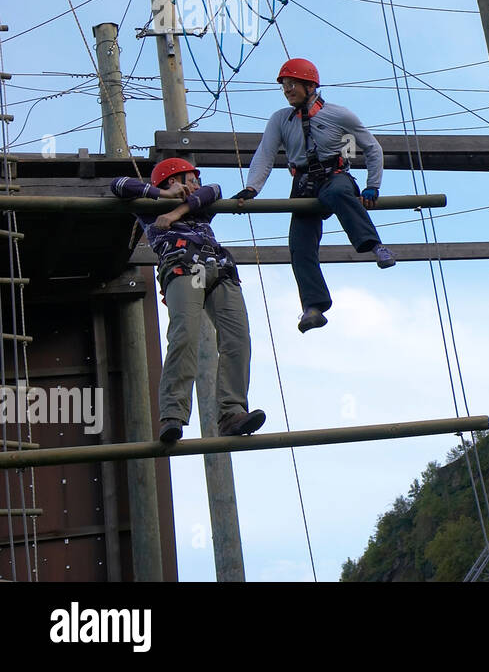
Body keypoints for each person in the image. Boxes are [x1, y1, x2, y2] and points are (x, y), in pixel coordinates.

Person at [234, 58, 395, 333]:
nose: (287, 90)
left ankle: (374, 245)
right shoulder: (280, 120)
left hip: (335, 176)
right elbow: (265, 154)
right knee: (300, 244)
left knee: (340, 193)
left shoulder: (339, 114)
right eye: (284, 86)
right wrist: (252, 188)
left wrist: (373, 185)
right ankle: (313, 306)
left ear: (310, 85)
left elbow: (372, 148)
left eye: (292, 84)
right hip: (304, 184)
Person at [111, 158, 266, 443]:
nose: (197, 184)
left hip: (219, 270)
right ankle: (172, 414)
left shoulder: (199, 208)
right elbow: (118, 185)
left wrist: (177, 211)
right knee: (185, 334)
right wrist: (163, 198)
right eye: (190, 179)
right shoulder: (149, 208)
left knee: (238, 339)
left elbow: (215, 189)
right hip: (184, 267)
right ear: (173, 181)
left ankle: (232, 412)